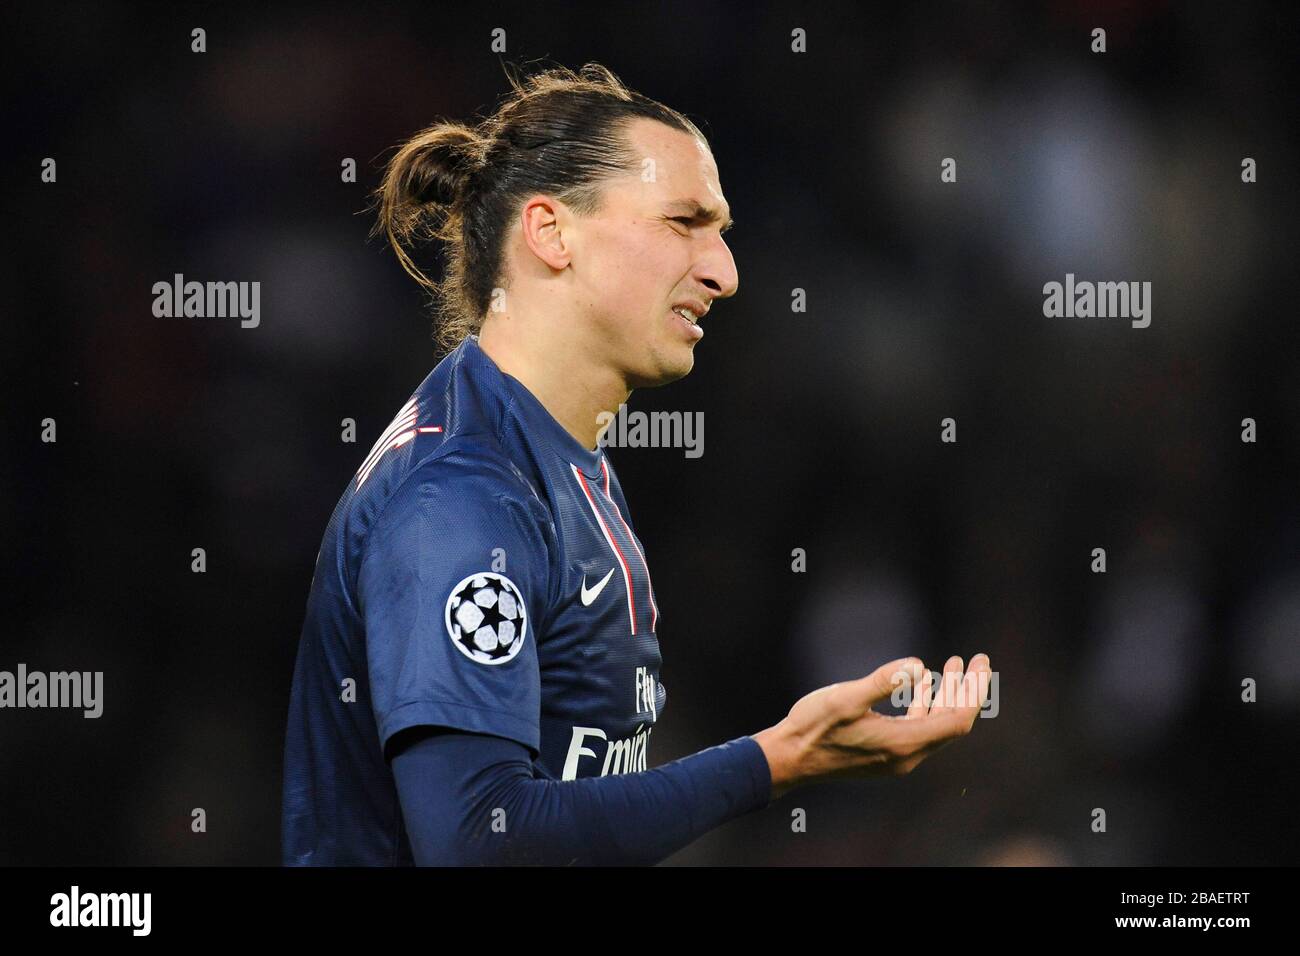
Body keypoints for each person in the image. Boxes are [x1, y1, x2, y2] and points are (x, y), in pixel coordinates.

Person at [280, 62, 992, 866]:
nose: (725, 272)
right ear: (551, 233)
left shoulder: (564, 462)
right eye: (683, 223)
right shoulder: (460, 497)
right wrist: (779, 759)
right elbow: (477, 840)